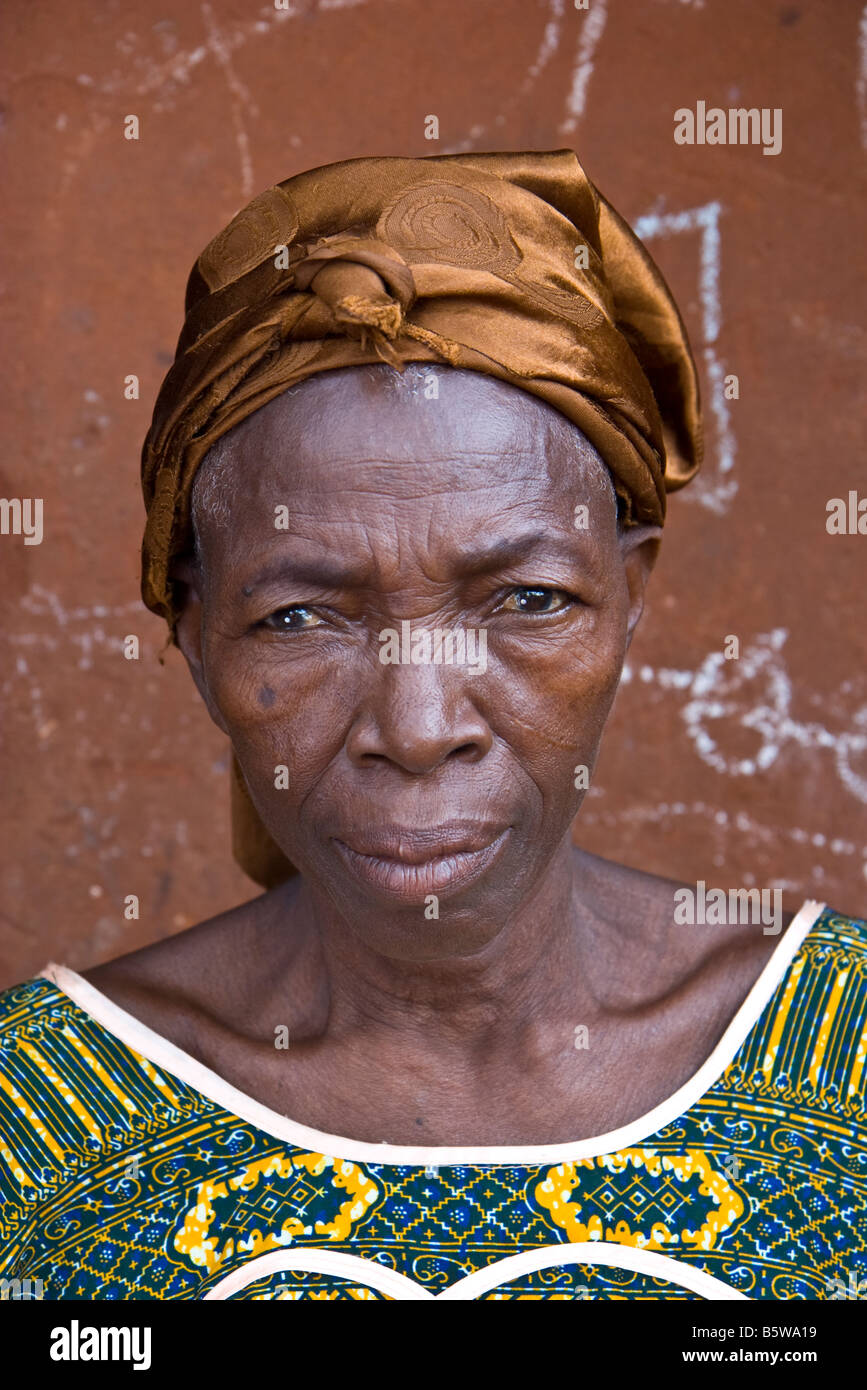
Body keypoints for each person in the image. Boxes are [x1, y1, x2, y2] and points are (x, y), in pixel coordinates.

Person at [1, 151, 863, 1302]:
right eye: (300, 616)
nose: (416, 725)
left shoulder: (844, 1064)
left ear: (631, 595)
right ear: (196, 631)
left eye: (527, 601)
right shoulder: (35, 1131)